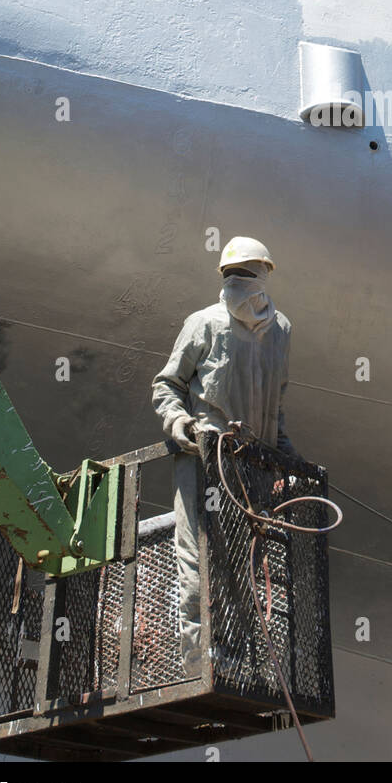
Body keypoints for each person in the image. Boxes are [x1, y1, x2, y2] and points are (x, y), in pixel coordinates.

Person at [151, 236, 298, 677]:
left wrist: (287, 459)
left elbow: (277, 407)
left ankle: (244, 664)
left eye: (247, 274)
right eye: (233, 275)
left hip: (253, 469)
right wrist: (177, 423)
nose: (239, 282)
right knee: (198, 564)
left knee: (250, 566)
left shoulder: (281, 332)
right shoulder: (203, 324)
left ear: (264, 276)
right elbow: (168, 385)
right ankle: (202, 668)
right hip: (204, 462)